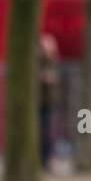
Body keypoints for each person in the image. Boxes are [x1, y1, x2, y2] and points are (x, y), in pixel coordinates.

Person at [38, 32, 59, 171]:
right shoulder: (38, 61)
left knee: (47, 132)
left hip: (49, 103)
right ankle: (41, 161)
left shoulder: (52, 61)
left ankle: (46, 161)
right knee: (41, 132)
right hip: (39, 103)